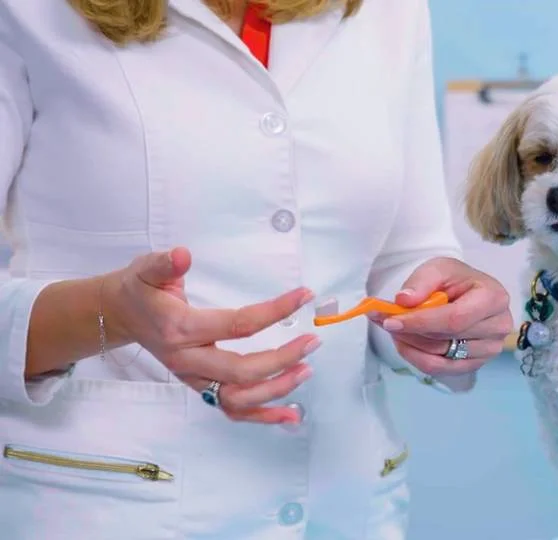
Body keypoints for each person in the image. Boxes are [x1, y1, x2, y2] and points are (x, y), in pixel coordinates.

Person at [0, 0, 513, 538]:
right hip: (105, 507)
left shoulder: (390, 10)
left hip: (343, 502)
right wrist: (110, 314)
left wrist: (440, 318)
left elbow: (404, 252)